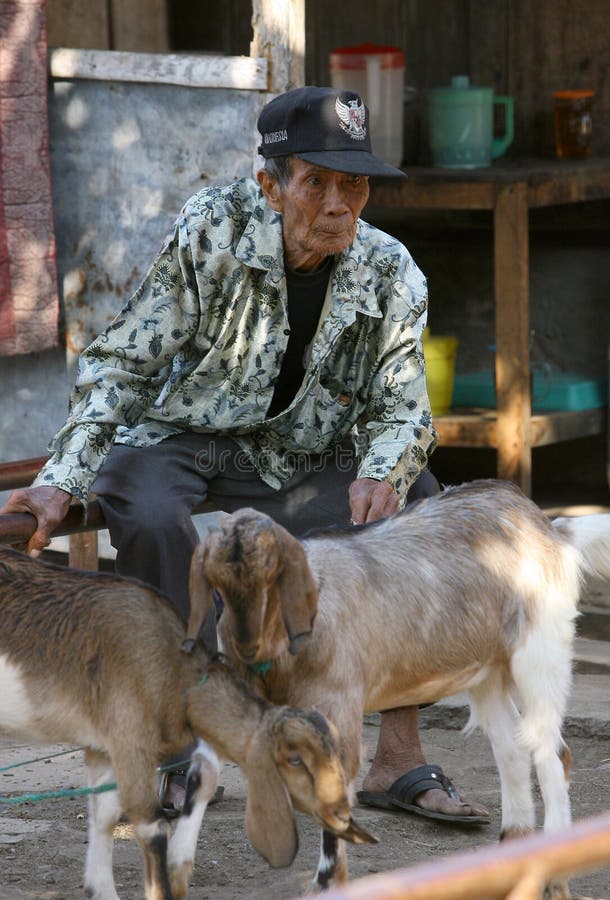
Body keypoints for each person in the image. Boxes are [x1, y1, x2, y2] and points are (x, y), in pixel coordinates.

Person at [1, 86, 488, 825]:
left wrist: (382, 471)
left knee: (418, 501)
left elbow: (404, 404)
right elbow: (121, 363)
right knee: (147, 507)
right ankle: (182, 744)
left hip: (301, 450)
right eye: (315, 183)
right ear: (270, 184)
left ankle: (397, 752)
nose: (338, 205)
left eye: (353, 184)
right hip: (185, 434)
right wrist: (59, 479)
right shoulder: (212, 230)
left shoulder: (392, 269)